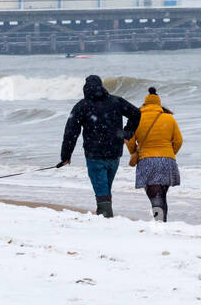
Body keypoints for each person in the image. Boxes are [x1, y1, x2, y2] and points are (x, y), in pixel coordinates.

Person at [58, 74, 140, 218]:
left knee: (102, 191)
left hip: (94, 154)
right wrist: (127, 133)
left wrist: (66, 156)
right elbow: (136, 113)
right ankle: (105, 215)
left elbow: (71, 133)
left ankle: (106, 218)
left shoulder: (82, 106)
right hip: (114, 153)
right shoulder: (116, 101)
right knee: (105, 189)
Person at [126, 86, 183, 222]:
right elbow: (178, 141)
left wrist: (134, 152)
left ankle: (159, 222)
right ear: (159, 104)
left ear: (145, 104)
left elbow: (129, 140)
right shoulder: (169, 119)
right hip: (167, 161)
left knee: (155, 196)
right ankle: (162, 221)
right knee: (162, 195)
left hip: (147, 160)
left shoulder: (137, 118)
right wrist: (169, 153)